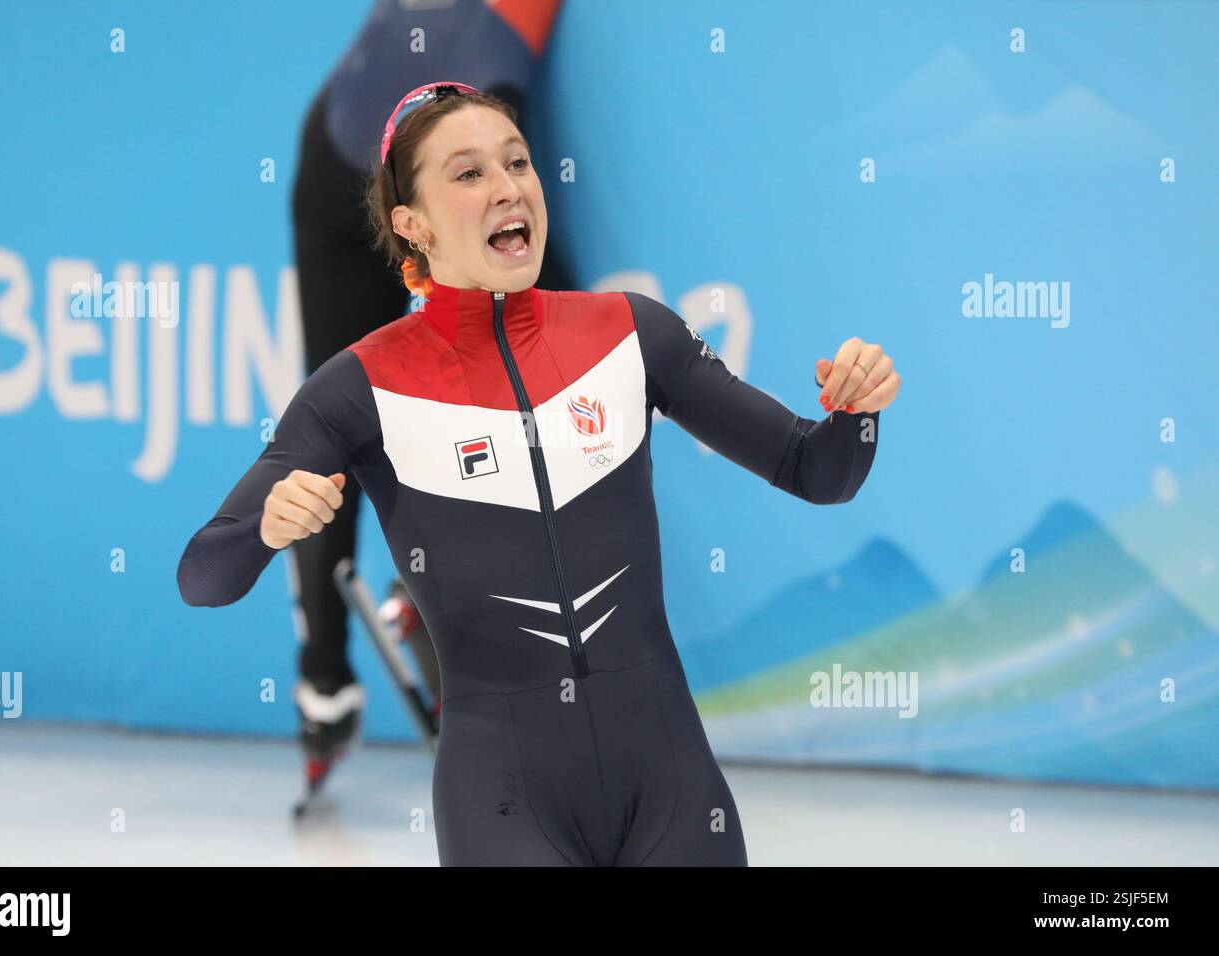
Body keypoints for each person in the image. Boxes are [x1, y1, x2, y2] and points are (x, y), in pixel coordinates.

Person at [178, 82, 900, 866]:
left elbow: (817, 471)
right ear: (411, 225)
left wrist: (855, 411)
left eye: (516, 161)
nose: (507, 186)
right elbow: (204, 574)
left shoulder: (631, 333)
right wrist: (267, 526)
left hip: (674, 791)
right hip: (503, 801)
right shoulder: (358, 388)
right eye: (467, 173)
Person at [288, 0, 570, 781]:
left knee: (350, 416)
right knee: (345, 417)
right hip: (366, 168)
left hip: (361, 139)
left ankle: (336, 673)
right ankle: (334, 665)